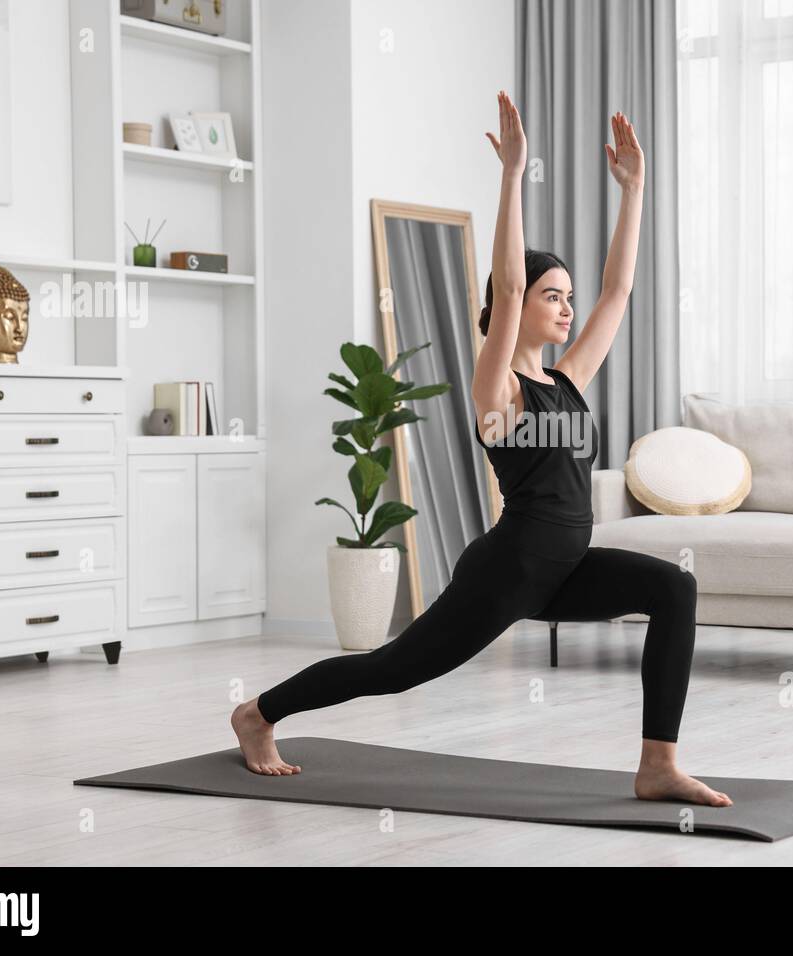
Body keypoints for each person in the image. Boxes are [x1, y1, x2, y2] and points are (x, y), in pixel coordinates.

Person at [232, 90, 731, 807]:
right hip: (512, 569)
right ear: (515, 304)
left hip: (567, 567)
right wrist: (512, 176)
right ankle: (257, 714)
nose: (565, 306)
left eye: (566, 296)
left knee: (672, 589)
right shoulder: (499, 391)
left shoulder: (567, 377)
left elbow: (618, 291)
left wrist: (635, 190)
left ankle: (658, 764)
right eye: (550, 295)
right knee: (395, 668)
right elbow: (504, 282)